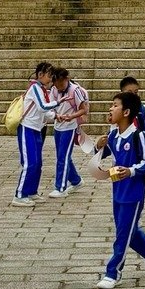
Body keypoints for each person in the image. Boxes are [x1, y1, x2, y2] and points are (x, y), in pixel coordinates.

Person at [95, 90, 145, 289]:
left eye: (115, 105)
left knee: (122, 235)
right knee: (127, 231)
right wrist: (98, 146)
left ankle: (112, 272)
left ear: (126, 112)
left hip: (133, 193)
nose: (111, 108)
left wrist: (131, 171)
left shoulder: (137, 136)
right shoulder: (113, 135)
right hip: (117, 190)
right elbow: (99, 154)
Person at [12, 61, 59, 207]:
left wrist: (57, 116)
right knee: (30, 163)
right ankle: (20, 195)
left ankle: (31, 191)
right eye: (49, 75)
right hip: (27, 128)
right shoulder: (35, 88)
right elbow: (43, 106)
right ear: (40, 75)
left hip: (37, 129)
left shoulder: (43, 90)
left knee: (37, 163)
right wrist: (59, 102)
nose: (51, 79)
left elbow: (45, 113)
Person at [48, 67, 89, 197]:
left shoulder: (74, 90)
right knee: (63, 155)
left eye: (61, 84)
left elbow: (83, 109)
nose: (59, 87)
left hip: (70, 127)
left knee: (62, 157)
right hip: (58, 125)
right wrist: (55, 115)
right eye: (56, 84)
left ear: (67, 79)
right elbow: (50, 105)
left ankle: (60, 187)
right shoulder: (54, 90)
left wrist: (71, 116)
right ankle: (76, 180)